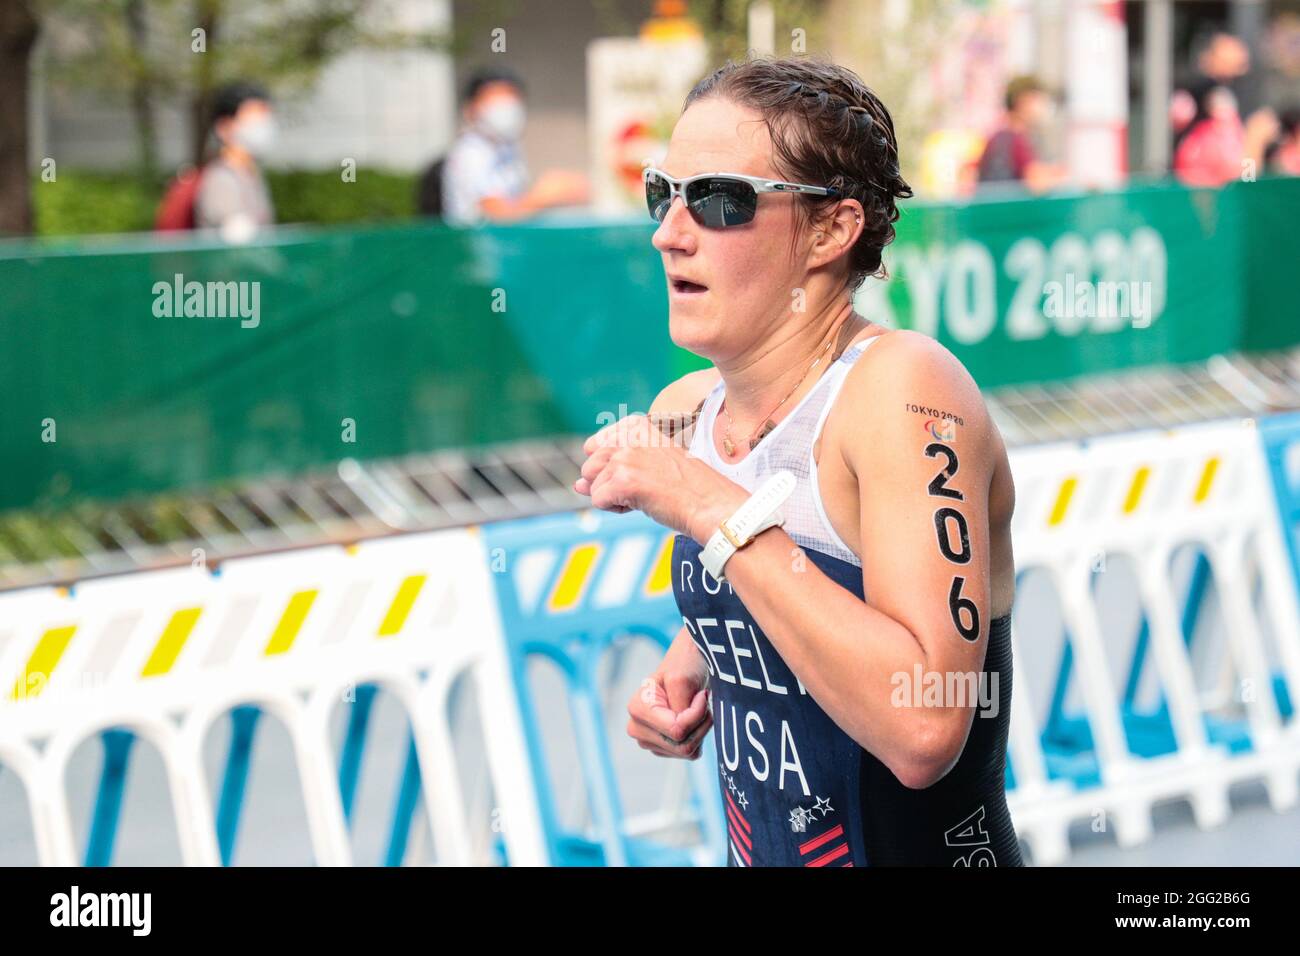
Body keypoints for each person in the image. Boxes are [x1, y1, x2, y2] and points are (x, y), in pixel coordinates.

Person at [574, 56, 1023, 867]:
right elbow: (787, 598)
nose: (669, 232)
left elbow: (925, 727)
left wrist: (709, 505)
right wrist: (692, 667)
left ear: (831, 229)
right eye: (661, 193)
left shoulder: (904, 392)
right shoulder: (690, 407)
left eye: (719, 200)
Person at [430, 66, 587, 224]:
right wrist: (545, 196)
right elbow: (497, 214)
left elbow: (517, 207)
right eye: (494, 99)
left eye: (511, 97)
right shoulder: (471, 153)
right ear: (471, 108)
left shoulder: (507, 148)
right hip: (475, 246)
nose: (505, 107)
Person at [194, 81, 277, 239]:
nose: (263, 126)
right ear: (224, 127)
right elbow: (238, 247)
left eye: (266, 117)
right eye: (254, 119)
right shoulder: (221, 180)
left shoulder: (251, 173)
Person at [976, 74, 1067, 193]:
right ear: (1023, 102)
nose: (1042, 107)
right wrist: (1060, 177)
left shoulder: (998, 136)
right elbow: (1037, 183)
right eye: (1038, 100)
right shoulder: (1014, 139)